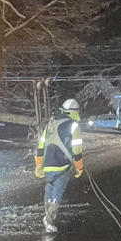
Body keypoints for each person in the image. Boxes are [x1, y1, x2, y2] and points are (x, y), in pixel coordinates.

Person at [34, 98, 84, 233]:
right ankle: (50, 221)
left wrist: (38, 165)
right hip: (62, 165)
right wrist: (79, 167)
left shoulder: (51, 123)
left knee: (50, 188)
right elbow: (77, 149)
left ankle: (47, 216)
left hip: (48, 164)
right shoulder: (73, 125)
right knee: (57, 191)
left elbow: (41, 145)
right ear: (74, 112)